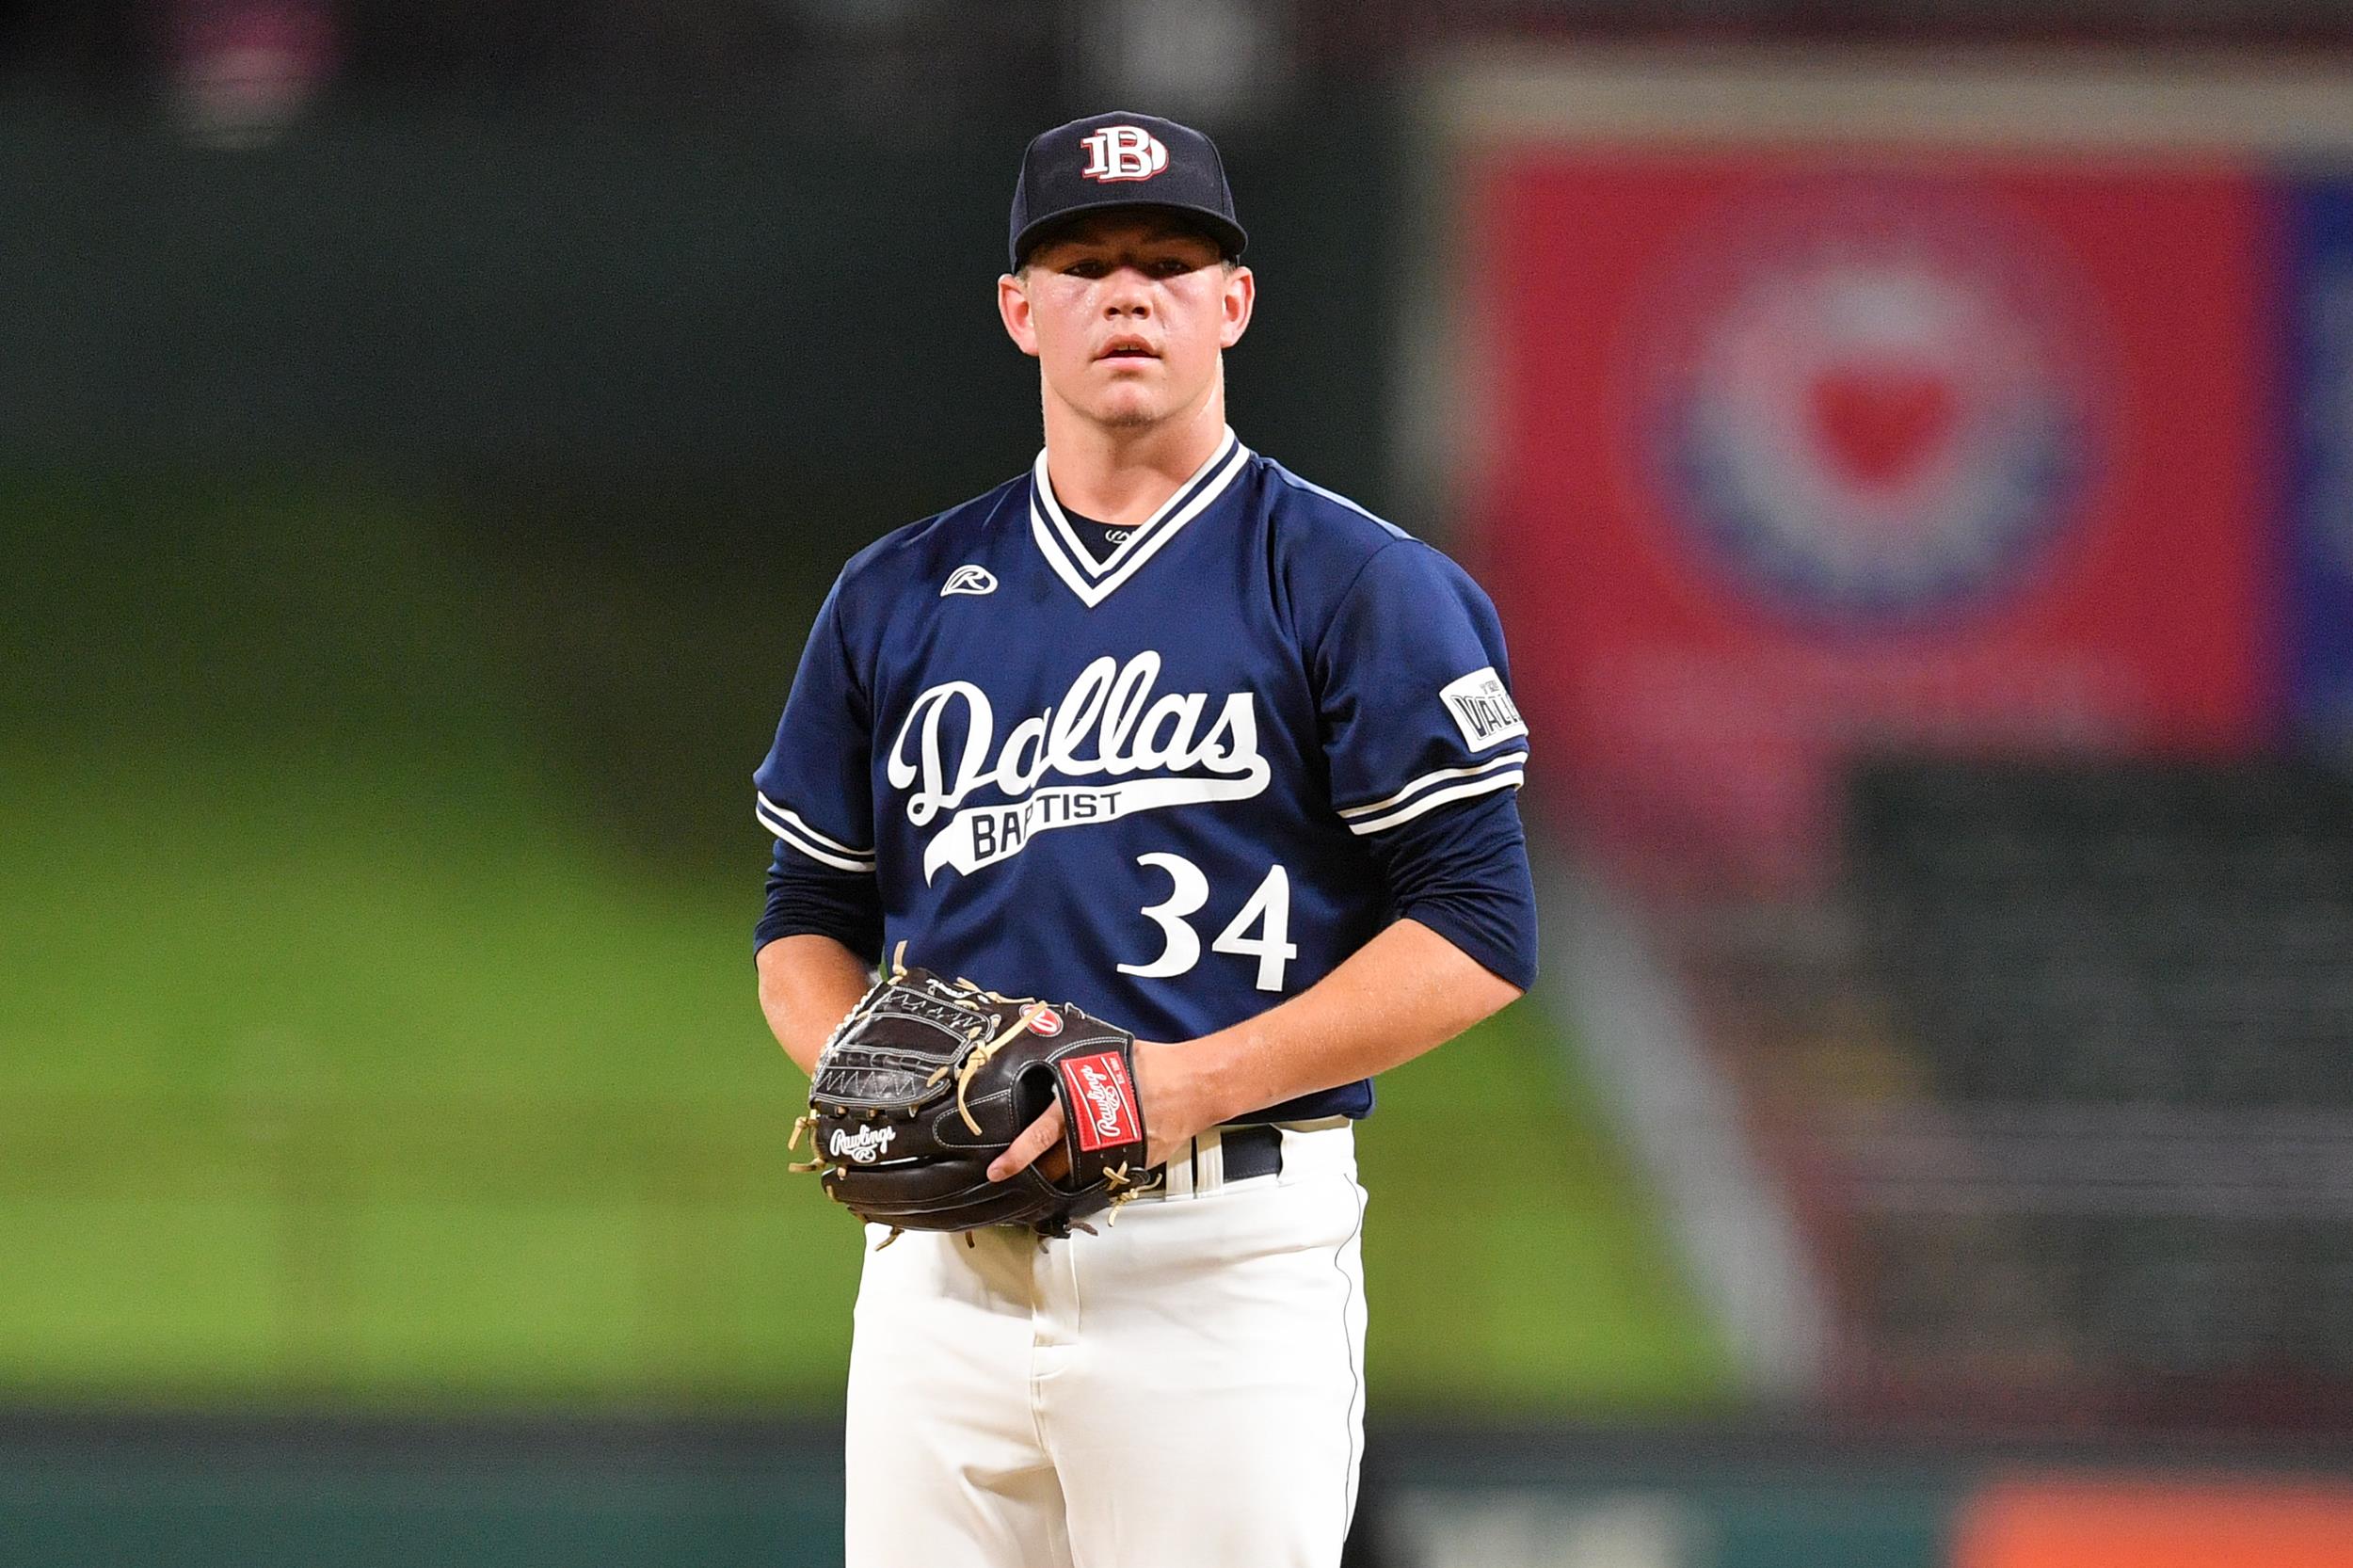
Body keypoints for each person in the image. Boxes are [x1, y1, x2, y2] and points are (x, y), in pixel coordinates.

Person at [751, 109, 1537, 1568]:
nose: (1130, 294)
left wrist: (1180, 1086)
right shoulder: (897, 596)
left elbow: (1480, 930)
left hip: (1219, 1256)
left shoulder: (1357, 585)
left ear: (1234, 302)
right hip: (943, 1271)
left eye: (1171, 262)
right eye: (1088, 262)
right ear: (1020, 308)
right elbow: (806, 912)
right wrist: (868, 1077)